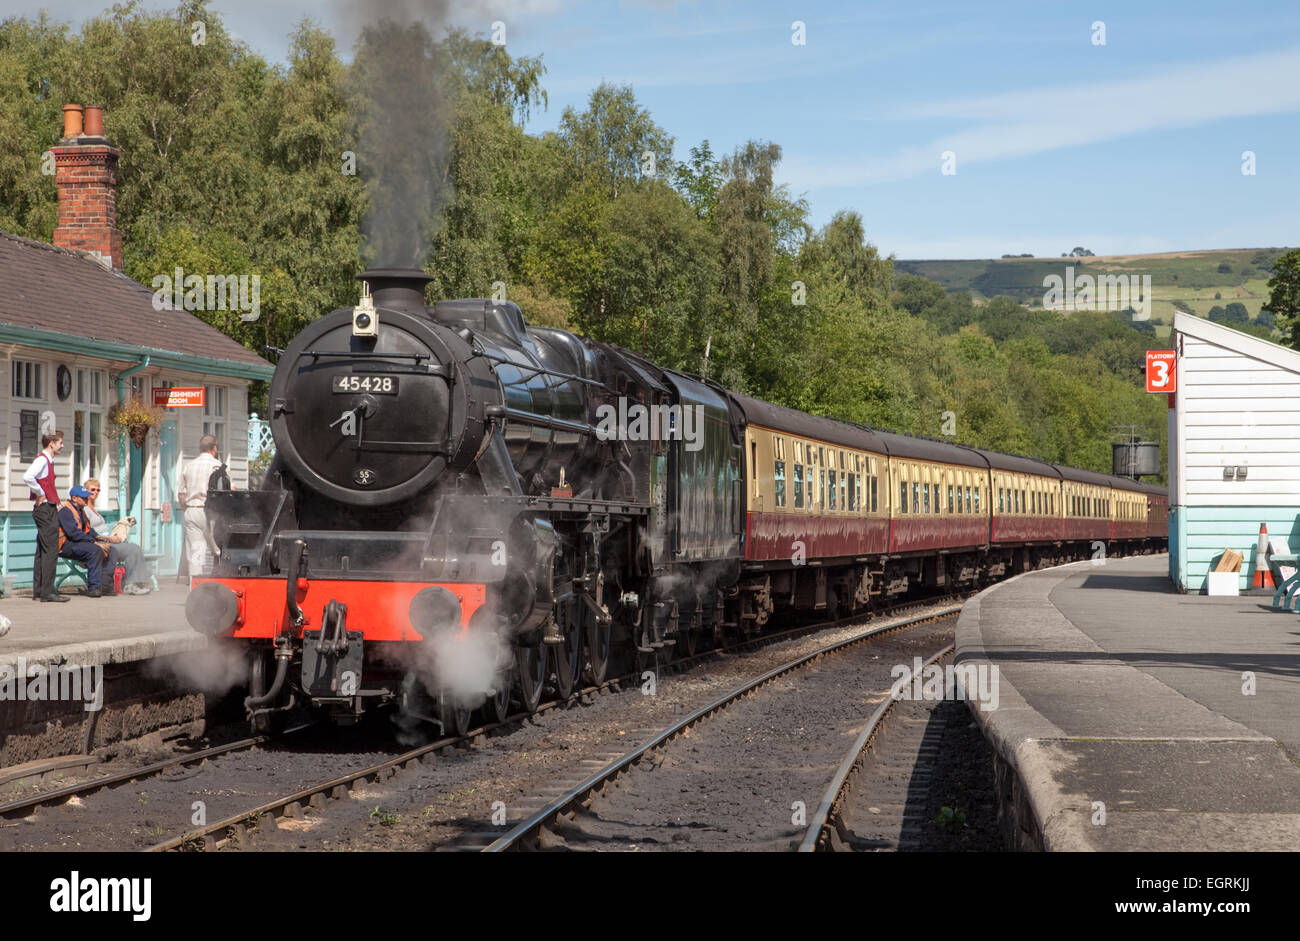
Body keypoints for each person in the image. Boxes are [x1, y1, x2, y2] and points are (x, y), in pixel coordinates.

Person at [83, 478, 151, 595]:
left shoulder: (94, 509)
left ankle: (131, 583)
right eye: (92, 489)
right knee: (133, 549)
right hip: (100, 545)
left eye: (98, 490)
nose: (96, 492)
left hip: (108, 541)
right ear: (85, 490)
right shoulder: (85, 509)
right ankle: (131, 585)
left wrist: (116, 533)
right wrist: (110, 539)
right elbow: (89, 532)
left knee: (133, 548)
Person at [23, 430, 69, 602]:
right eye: (60, 442)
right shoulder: (42, 460)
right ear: (51, 444)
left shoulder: (48, 461)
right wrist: (40, 492)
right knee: (51, 549)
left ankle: (40, 591)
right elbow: (28, 476)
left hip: (47, 508)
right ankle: (47, 592)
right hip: (45, 509)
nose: (62, 446)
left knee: (43, 550)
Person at [180, 435, 222, 578]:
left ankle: (196, 585)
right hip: (211, 513)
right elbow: (229, 490)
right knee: (218, 549)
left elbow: (181, 494)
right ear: (214, 448)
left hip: (192, 511)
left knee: (196, 552)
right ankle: (220, 579)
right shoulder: (217, 466)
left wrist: (187, 509)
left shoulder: (189, 466)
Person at [58, 485, 103, 598]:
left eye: (87, 497)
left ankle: (107, 586)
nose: (87, 499)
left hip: (76, 543)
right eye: (84, 497)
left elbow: (87, 530)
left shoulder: (80, 510)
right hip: (64, 545)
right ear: (74, 498)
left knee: (111, 551)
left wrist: (102, 539)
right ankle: (94, 588)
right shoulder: (66, 510)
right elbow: (73, 534)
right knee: (95, 550)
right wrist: (93, 542)